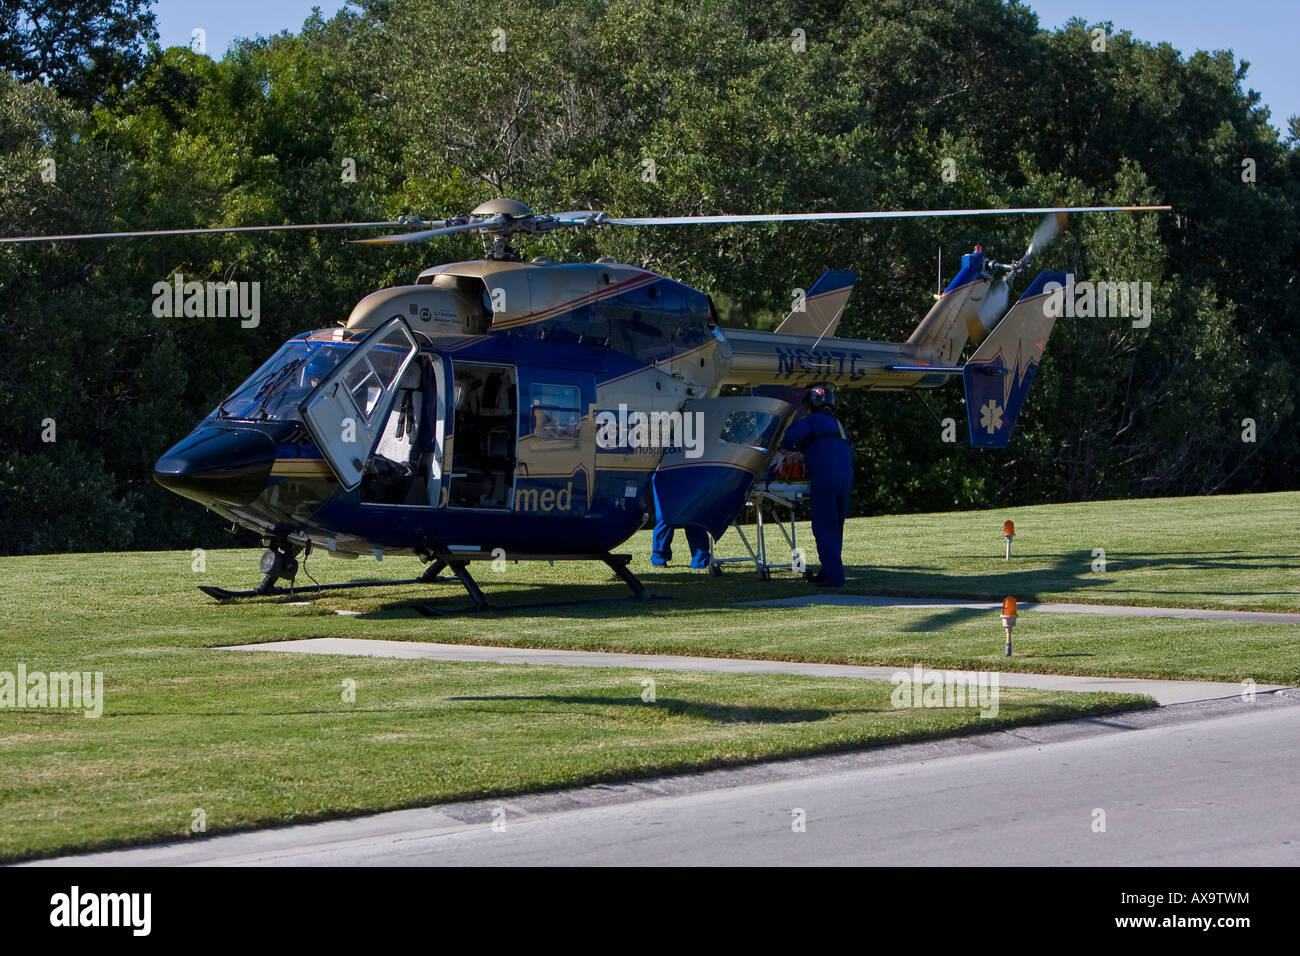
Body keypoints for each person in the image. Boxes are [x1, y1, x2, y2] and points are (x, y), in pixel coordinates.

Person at [779, 385, 853, 587]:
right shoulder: (838, 424)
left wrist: (790, 454)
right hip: (846, 475)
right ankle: (828, 570)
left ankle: (834, 578)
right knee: (836, 526)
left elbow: (787, 439)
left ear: (810, 404)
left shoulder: (811, 421)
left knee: (824, 525)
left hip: (825, 476)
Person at [650, 475, 712, 569]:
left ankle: (701, 560)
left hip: (689, 471)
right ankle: (659, 558)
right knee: (665, 517)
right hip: (664, 473)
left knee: (693, 518)